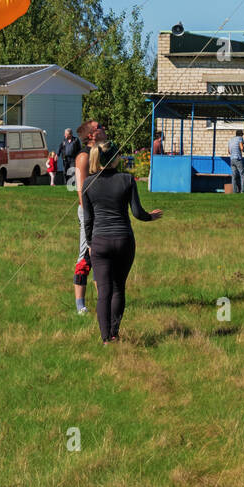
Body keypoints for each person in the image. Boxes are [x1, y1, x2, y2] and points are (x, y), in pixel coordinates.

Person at [82, 139, 162, 345]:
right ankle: (115, 333)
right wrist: (151, 217)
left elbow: (88, 219)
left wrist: (90, 244)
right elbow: (137, 212)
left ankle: (105, 338)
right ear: (115, 158)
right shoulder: (127, 179)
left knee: (104, 291)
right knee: (118, 289)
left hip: (100, 242)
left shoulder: (88, 183)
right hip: (124, 240)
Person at [72, 120, 102, 314]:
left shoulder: (103, 153)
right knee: (86, 255)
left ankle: (103, 300)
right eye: (99, 127)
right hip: (89, 212)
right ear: (91, 135)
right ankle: (80, 305)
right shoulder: (83, 157)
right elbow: (81, 190)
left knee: (101, 255)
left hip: (103, 210)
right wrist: (88, 217)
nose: (103, 129)